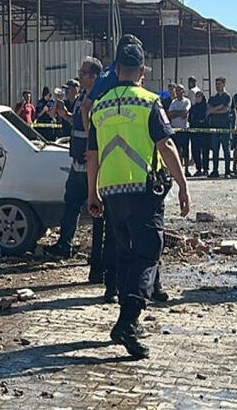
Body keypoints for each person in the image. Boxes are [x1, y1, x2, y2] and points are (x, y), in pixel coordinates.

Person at [87, 41, 190, 359]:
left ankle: (125, 317)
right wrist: (183, 185)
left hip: (112, 191)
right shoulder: (149, 102)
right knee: (147, 253)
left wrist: (92, 192)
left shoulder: (99, 106)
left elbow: (91, 155)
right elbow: (166, 146)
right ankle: (128, 322)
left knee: (125, 255)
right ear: (142, 71)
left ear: (117, 69)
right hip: (143, 190)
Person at [46, 58, 107, 291]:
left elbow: (95, 129)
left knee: (97, 212)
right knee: (71, 204)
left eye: (83, 72)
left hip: (90, 163)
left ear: (94, 76)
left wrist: (91, 152)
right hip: (78, 163)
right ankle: (65, 245)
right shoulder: (83, 96)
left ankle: (98, 257)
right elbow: (78, 124)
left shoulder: (98, 98)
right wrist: (66, 115)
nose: (79, 75)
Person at [207, 77, 232, 178]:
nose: (217, 86)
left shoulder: (227, 97)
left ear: (224, 84)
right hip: (215, 126)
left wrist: (214, 110)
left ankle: (227, 171)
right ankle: (215, 170)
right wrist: (219, 107)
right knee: (215, 150)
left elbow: (226, 109)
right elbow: (208, 110)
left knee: (226, 149)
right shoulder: (213, 98)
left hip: (225, 126)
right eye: (216, 84)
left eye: (219, 84)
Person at [168, 85, 192, 177]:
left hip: (184, 129)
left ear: (183, 92)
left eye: (180, 90)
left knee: (185, 150)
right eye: (177, 90)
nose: (178, 92)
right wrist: (179, 113)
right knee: (177, 150)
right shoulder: (173, 102)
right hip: (175, 129)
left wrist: (176, 113)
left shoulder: (187, 101)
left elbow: (185, 113)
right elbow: (170, 114)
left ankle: (186, 170)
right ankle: (179, 169)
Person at [189, 91, 210, 176]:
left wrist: (201, 121)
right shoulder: (193, 108)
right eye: (196, 97)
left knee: (205, 151)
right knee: (195, 151)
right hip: (195, 133)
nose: (198, 98)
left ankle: (205, 169)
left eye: (199, 96)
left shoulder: (206, 107)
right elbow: (190, 119)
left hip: (204, 133)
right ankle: (198, 168)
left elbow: (206, 118)